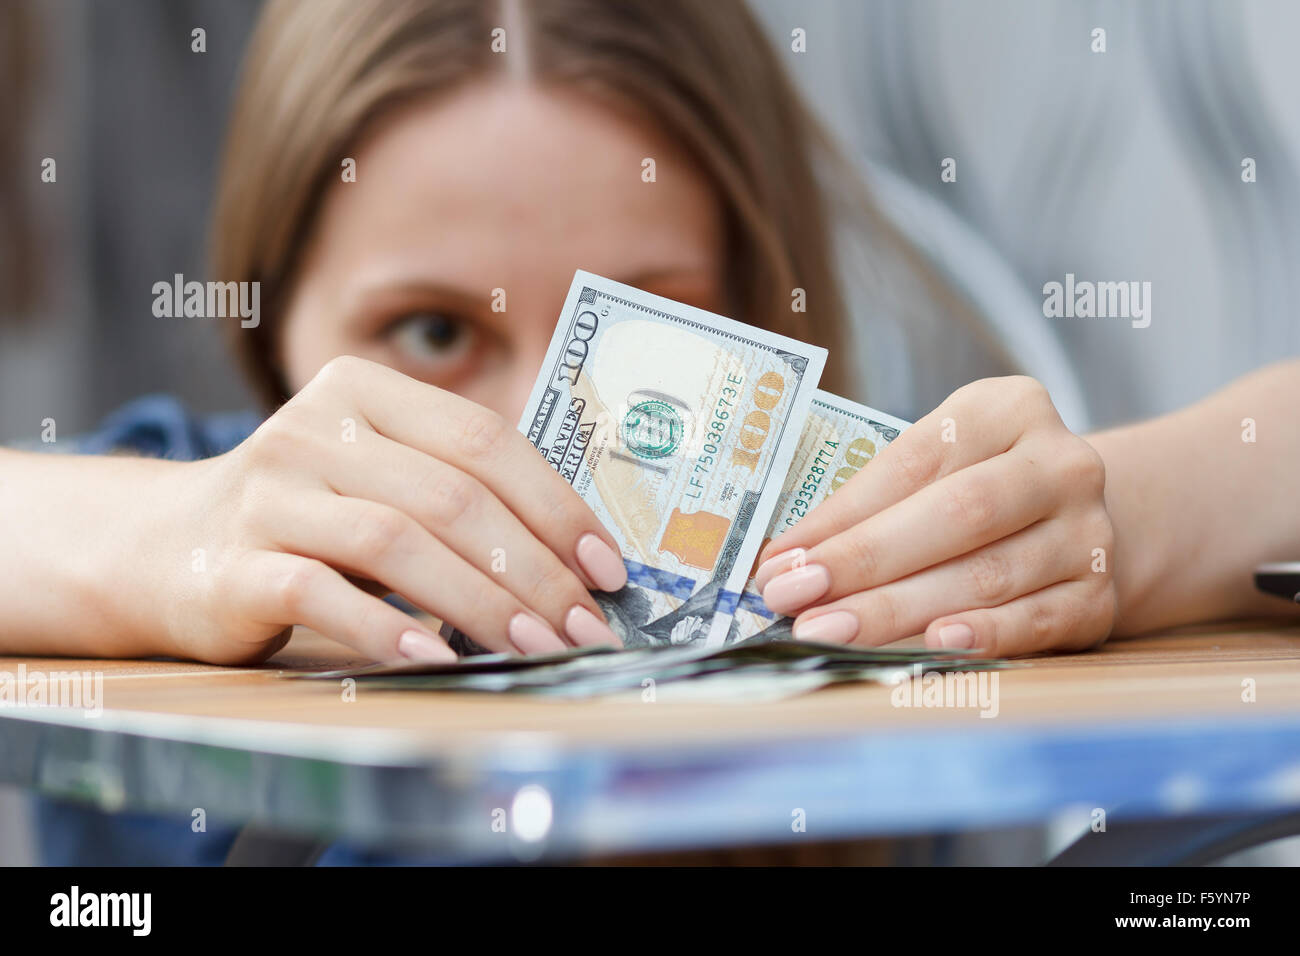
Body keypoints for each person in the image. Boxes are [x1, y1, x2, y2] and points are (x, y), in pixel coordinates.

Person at [3, 0, 1297, 674]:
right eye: (434, 330)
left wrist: (1118, 522)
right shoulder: (196, 508)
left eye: (637, 327)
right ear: (273, 320)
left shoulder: (859, 549)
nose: (534, 449)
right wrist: (166, 546)